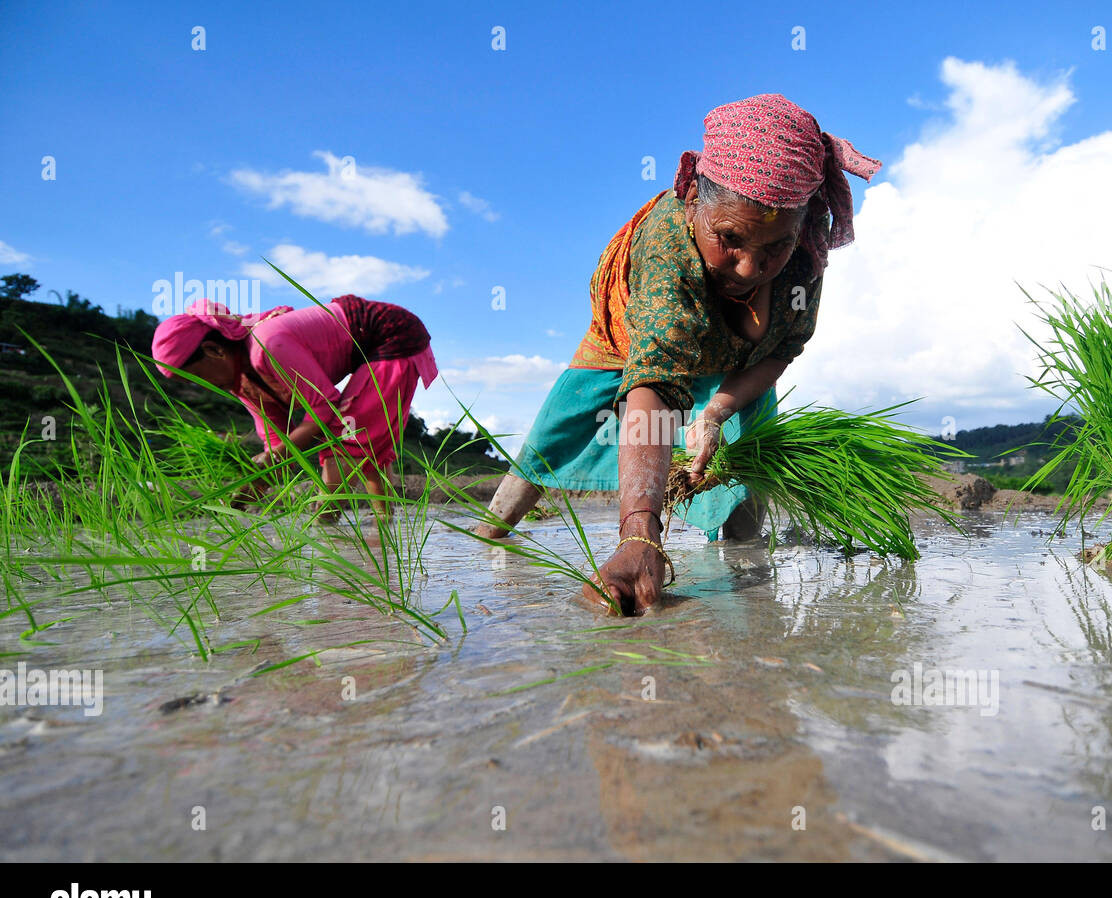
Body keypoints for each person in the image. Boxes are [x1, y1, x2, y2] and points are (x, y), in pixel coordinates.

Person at [476, 93, 881, 614]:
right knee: (564, 423)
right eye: (730, 238)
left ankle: (742, 573)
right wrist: (640, 538)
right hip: (632, 337)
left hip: (739, 356)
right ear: (693, 201)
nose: (748, 268)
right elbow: (656, 384)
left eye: (773, 247)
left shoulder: (804, 256)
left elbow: (780, 353)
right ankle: (491, 534)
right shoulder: (667, 248)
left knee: (747, 450)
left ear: (799, 228)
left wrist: (714, 411)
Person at [151, 294, 437, 518]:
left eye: (198, 376)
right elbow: (278, 446)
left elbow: (323, 410)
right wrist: (256, 485)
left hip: (392, 334)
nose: (203, 386)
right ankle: (385, 531)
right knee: (363, 443)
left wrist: (271, 461)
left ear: (214, 350)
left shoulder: (267, 347)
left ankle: (328, 526)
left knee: (346, 437)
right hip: (370, 350)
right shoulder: (245, 386)